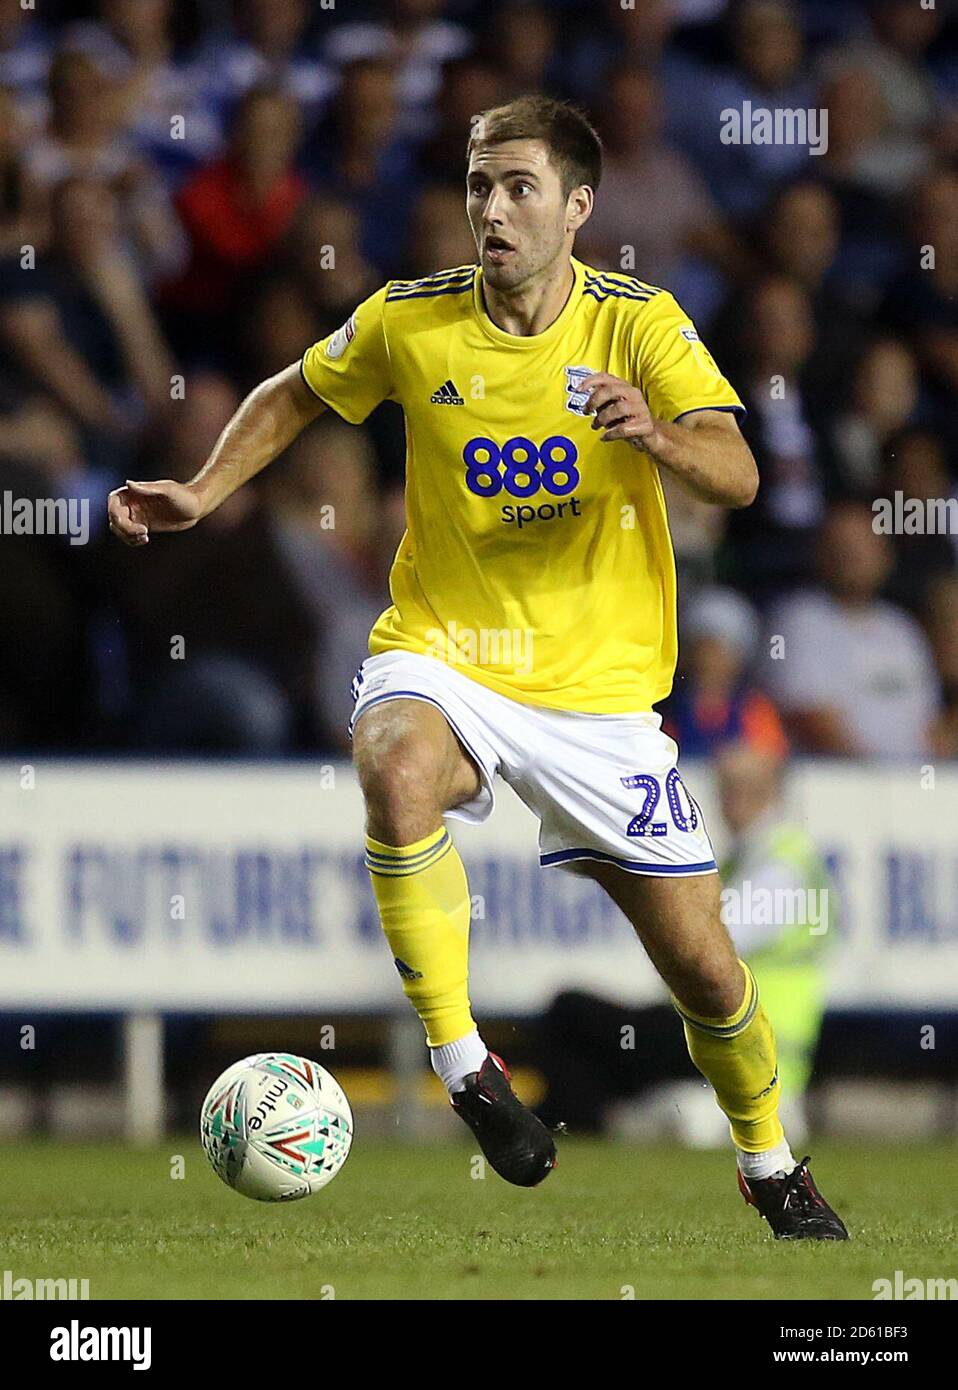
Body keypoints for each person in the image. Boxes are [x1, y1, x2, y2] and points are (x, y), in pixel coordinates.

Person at [108, 95, 847, 1241]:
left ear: (577, 208)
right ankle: (466, 1067)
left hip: (599, 698)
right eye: (477, 186)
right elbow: (299, 389)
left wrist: (656, 433)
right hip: (443, 653)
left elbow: (738, 471)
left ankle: (767, 1158)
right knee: (394, 765)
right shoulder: (411, 318)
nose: (490, 210)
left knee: (703, 969)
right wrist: (204, 489)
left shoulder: (637, 323)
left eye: (518, 189)